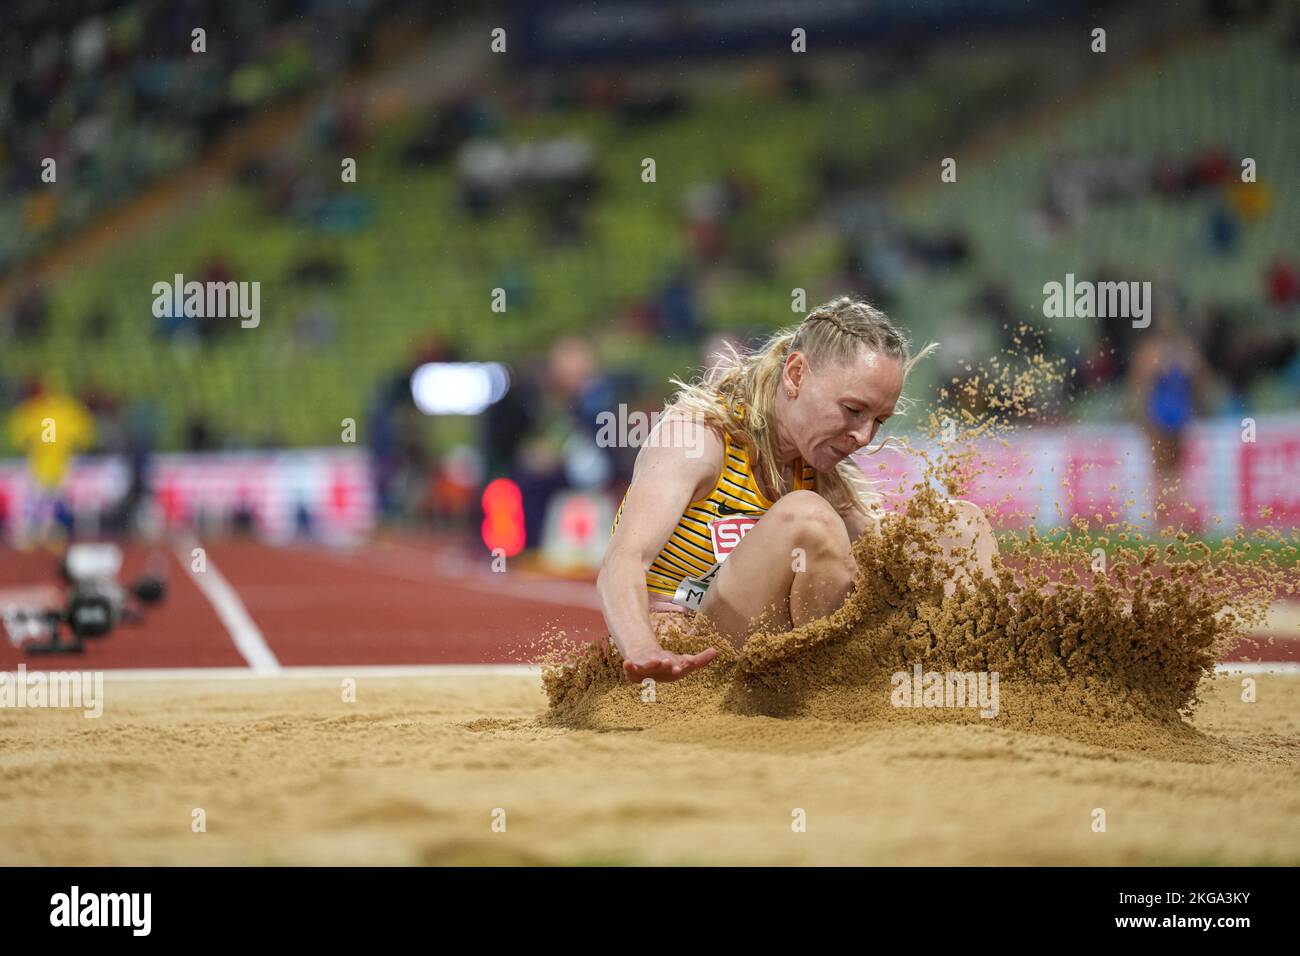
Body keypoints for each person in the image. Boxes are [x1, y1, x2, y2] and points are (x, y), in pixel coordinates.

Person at [599, 297, 998, 684]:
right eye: (854, 410)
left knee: (958, 525)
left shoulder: (819, 465)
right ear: (795, 375)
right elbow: (623, 560)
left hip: (765, 654)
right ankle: (835, 694)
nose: (863, 436)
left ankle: (981, 671)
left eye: (879, 419)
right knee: (808, 518)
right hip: (688, 652)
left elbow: (885, 557)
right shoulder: (698, 438)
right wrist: (642, 648)